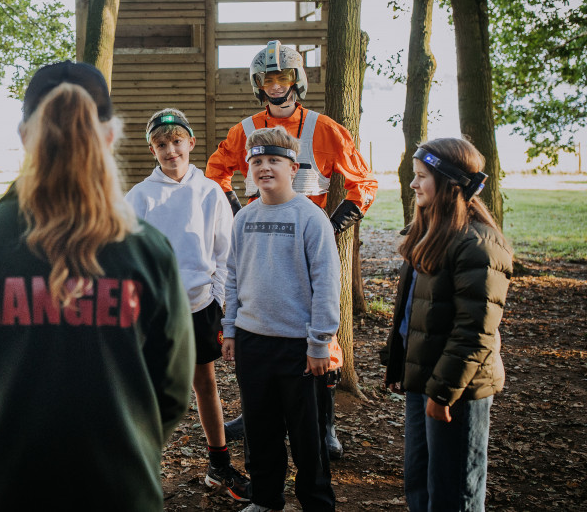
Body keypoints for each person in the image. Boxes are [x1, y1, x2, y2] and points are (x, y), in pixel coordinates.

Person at [0, 61, 195, 511]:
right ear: (111, 135)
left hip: (7, 489)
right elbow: (172, 392)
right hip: (120, 489)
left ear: (24, 136)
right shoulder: (148, 251)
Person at [206, 40, 378, 458]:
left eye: (283, 77)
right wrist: (236, 212)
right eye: (269, 79)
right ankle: (255, 414)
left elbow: (365, 183)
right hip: (258, 239)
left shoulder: (325, 128)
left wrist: (331, 225)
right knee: (253, 317)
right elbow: (216, 170)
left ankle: (324, 427)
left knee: (320, 328)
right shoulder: (244, 130)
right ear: (258, 84)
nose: (276, 85)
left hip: (307, 241)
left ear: (296, 80)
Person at [125, 108, 249, 503]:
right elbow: (128, 255)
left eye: (177, 141)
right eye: (162, 144)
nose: (170, 150)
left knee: (205, 384)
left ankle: (218, 464)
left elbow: (224, 253)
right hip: (155, 313)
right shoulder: (140, 196)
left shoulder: (210, 191)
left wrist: (216, 301)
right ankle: (142, 473)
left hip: (200, 307)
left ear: (191, 143)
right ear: (153, 150)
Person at [382, 138, 511, 511]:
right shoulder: (428, 233)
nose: (412, 184)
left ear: (450, 183)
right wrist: (399, 365)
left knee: (454, 493)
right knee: (420, 482)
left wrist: (443, 393)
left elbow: (475, 332)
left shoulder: (479, 245)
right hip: (423, 381)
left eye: (421, 176)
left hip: (457, 391)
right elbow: (412, 312)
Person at [222, 127, 340, 512]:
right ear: (248, 170)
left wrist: (320, 341)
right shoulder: (243, 218)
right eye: (257, 162)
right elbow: (233, 276)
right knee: (260, 430)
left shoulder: (311, 217)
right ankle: (267, 500)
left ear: (293, 168)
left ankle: (317, 504)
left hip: (300, 347)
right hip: (253, 341)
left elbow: (326, 282)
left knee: (307, 437)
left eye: (273, 160)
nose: (265, 168)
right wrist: (230, 330)